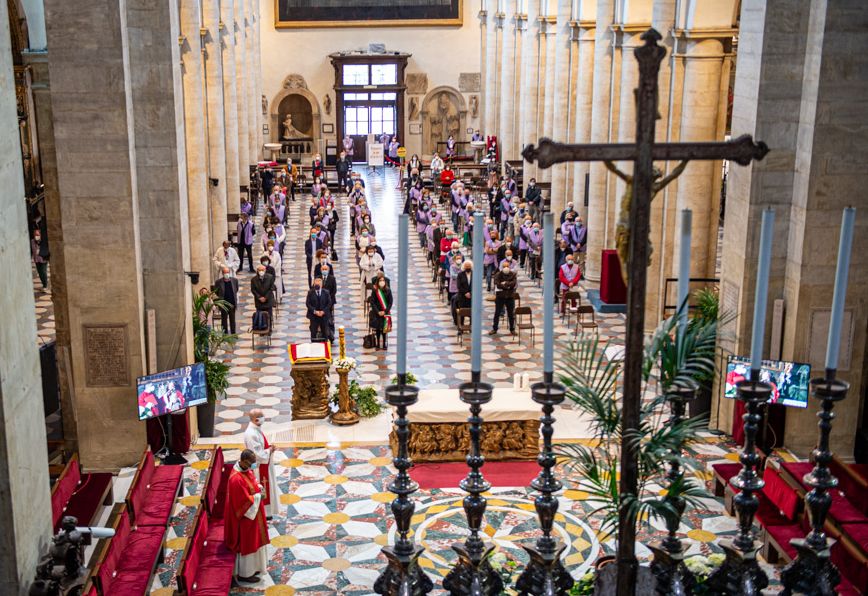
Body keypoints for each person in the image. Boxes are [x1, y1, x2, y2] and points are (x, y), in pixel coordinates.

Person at [224, 449, 268, 585]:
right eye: (251, 464)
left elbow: (251, 482)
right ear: (243, 461)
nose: (252, 467)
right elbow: (243, 502)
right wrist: (259, 496)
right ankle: (245, 573)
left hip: (255, 515)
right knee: (248, 543)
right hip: (245, 520)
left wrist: (259, 487)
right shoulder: (236, 479)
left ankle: (256, 568)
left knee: (255, 540)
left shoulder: (245, 469)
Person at [243, 410, 279, 519]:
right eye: (261, 416)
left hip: (264, 465)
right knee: (264, 486)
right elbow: (258, 455)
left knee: (267, 486)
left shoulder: (256, 429)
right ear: (255, 419)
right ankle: (265, 512)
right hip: (259, 467)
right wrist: (270, 450)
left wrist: (268, 448)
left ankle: (267, 512)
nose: (263, 417)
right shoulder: (251, 434)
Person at [490, 260, 517, 335]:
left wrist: (505, 284)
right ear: (502, 267)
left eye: (507, 266)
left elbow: (513, 284)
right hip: (500, 297)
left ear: (509, 267)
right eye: (504, 267)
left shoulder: (513, 274)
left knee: (511, 314)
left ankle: (512, 329)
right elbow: (497, 284)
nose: (506, 268)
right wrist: (508, 286)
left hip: (510, 296)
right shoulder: (498, 274)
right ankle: (494, 328)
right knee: (497, 313)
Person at [368, 276, 393, 350]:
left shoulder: (388, 290)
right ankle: (378, 343)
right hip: (377, 312)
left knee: (384, 329)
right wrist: (377, 312)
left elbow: (390, 302)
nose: (382, 282)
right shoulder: (375, 290)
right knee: (378, 329)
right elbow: (372, 302)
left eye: (383, 280)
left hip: (385, 312)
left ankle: (384, 343)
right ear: (378, 282)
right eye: (380, 280)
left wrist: (385, 311)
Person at [306, 276, 332, 342]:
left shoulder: (326, 292)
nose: (317, 285)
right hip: (314, 316)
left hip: (324, 316)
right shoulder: (310, 292)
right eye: (316, 284)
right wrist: (315, 311)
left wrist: (323, 311)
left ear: (321, 285)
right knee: (313, 333)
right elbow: (308, 304)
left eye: (319, 284)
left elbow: (329, 303)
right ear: (314, 284)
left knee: (325, 333)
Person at [251, 265, 275, 333]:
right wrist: (259, 297)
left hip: (268, 300)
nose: (261, 272)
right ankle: (261, 329)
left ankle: (269, 330)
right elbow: (253, 290)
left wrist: (266, 297)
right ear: (257, 271)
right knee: (260, 316)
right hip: (259, 301)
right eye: (259, 270)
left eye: (263, 270)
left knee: (269, 316)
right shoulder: (254, 279)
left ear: (265, 270)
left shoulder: (270, 277)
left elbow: (271, 288)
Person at [214, 267, 238, 334]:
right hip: (223, 304)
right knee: (224, 320)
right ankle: (225, 334)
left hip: (232, 303)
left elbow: (236, 290)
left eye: (227, 272)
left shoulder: (235, 280)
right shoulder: (218, 282)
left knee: (232, 320)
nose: (226, 274)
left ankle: (233, 333)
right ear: (222, 273)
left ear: (229, 273)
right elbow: (216, 291)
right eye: (225, 272)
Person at [319, 262, 337, 339]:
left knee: (330, 318)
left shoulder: (332, 278)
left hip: (330, 301)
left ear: (328, 270)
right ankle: (323, 333)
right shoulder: (318, 278)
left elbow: (334, 290)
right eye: (323, 269)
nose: (324, 270)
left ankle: (331, 334)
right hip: (320, 302)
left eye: (326, 269)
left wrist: (328, 299)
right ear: (321, 270)